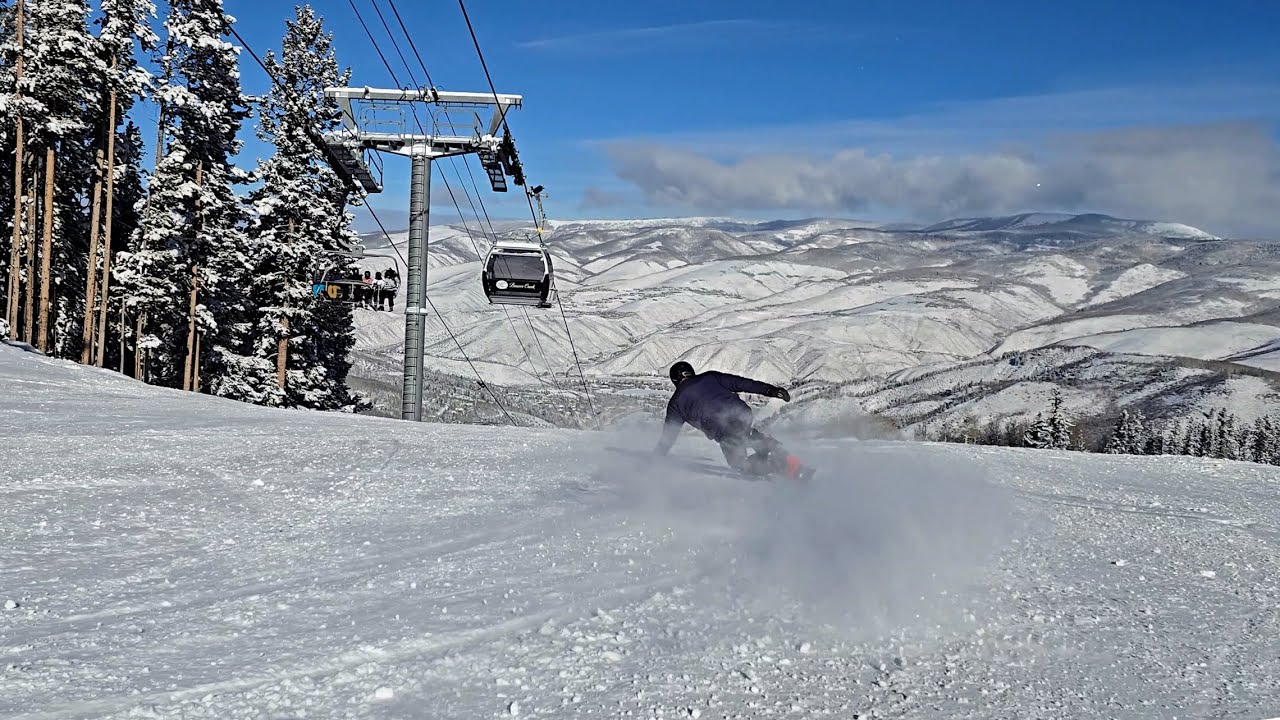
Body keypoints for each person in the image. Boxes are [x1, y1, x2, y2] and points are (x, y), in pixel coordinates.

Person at [653, 360, 811, 480]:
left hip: (724, 430)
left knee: (743, 467)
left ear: (674, 380)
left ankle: (781, 466)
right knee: (745, 435)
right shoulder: (710, 377)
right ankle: (777, 452)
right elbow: (742, 383)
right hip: (742, 414)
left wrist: (654, 460)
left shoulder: (676, 403)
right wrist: (771, 390)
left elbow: (668, 437)